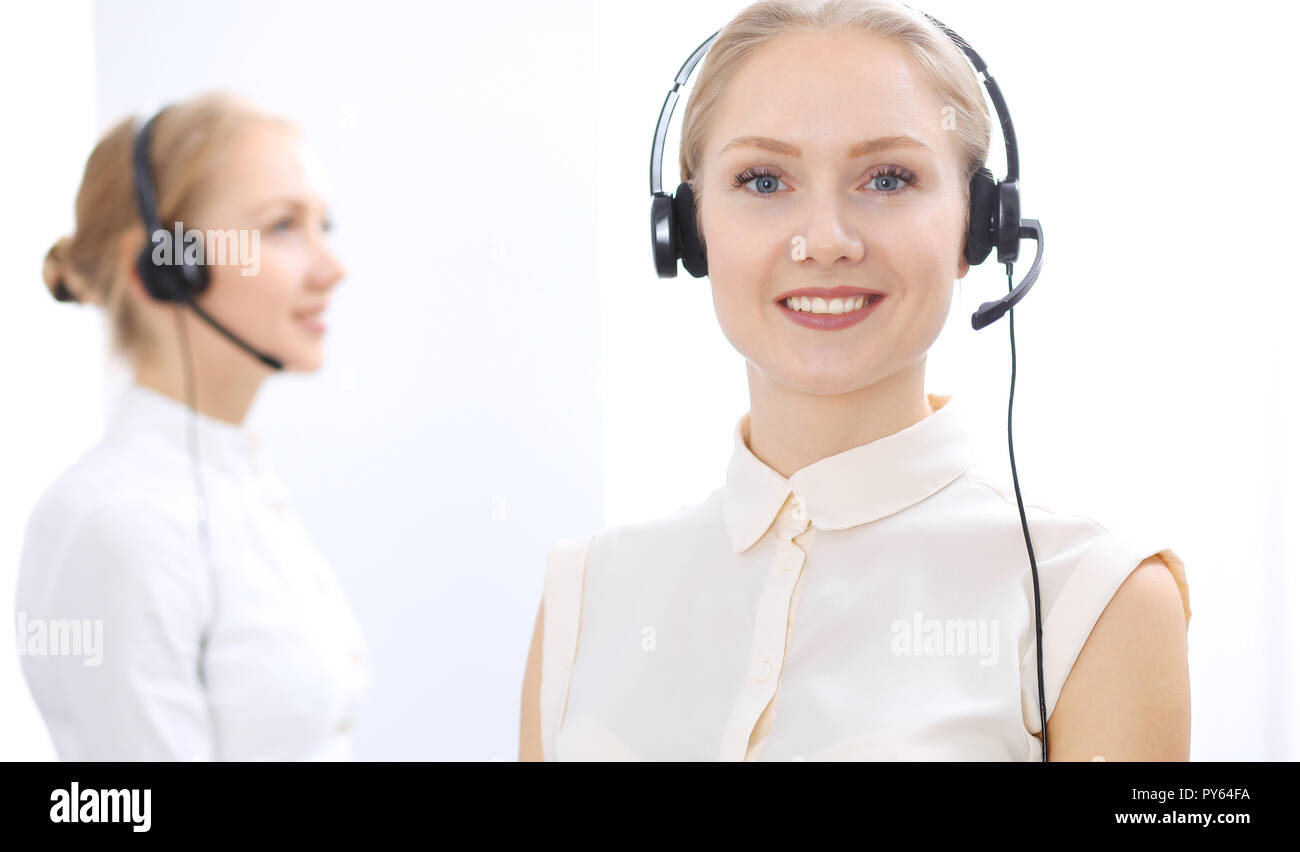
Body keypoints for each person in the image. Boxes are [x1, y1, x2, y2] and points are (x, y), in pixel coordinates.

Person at [520, 0, 1191, 761]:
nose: (827, 240)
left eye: (888, 177)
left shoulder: (1095, 597)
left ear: (981, 226)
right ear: (688, 228)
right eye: (765, 181)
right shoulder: (589, 595)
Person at [16, 92, 369, 760]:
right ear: (163, 270)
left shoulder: (239, 488)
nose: (333, 268)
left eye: (326, 226)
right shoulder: (117, 522)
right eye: (282, 228)